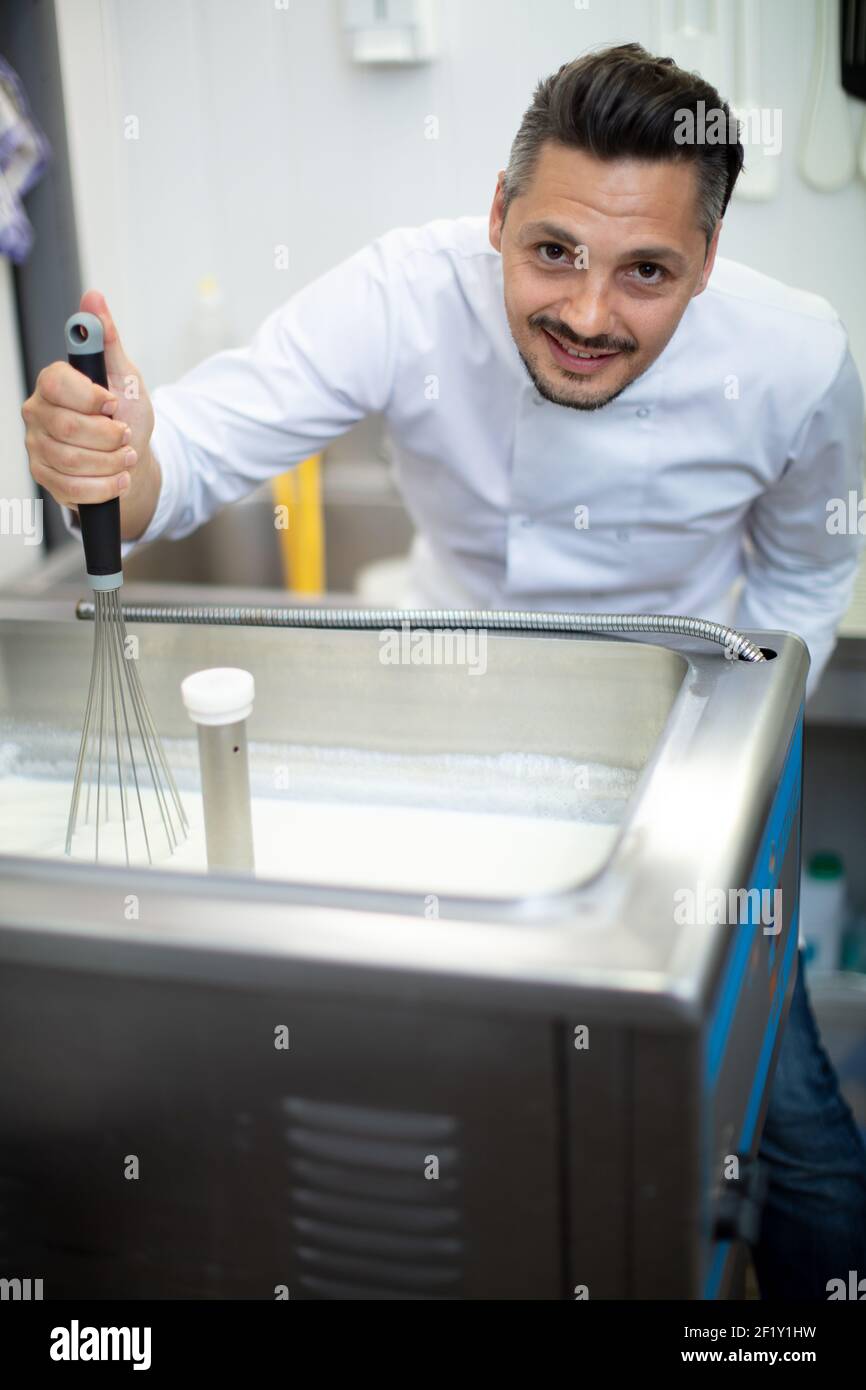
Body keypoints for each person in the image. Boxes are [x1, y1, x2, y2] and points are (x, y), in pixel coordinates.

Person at [22, 42, 866, 1298]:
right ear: (494, 216)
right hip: (442, 741)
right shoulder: (403, 296)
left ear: (708, 259)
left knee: (799, 1163)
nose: (586, 314)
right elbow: (188, 452)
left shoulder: (796, 359)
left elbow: (804, 576)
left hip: (671, 754)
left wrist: (737, 771)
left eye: (646, 272)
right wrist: (113, 457)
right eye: (551, 254)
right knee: (449, 1121)